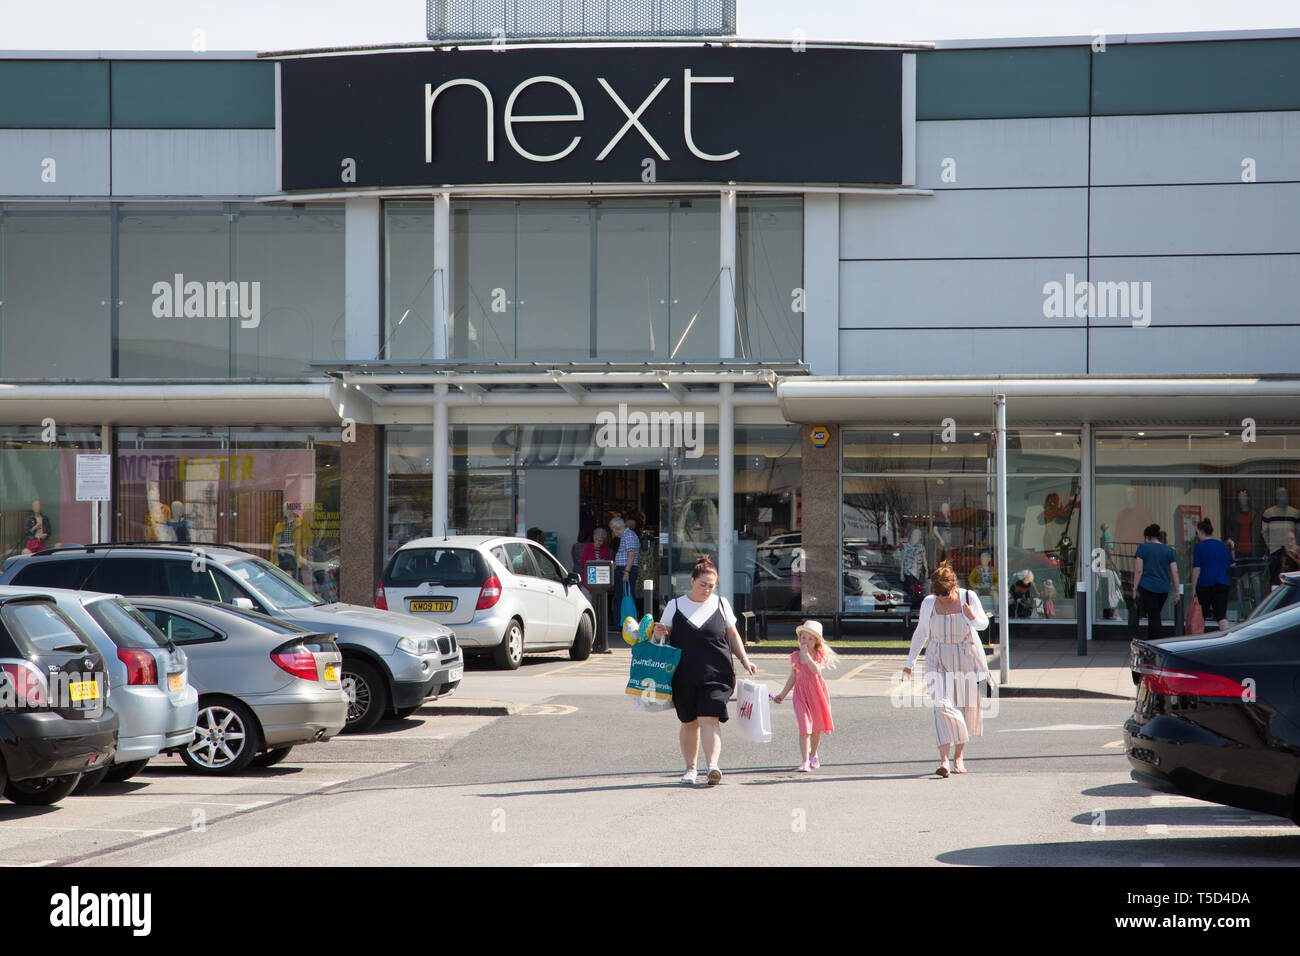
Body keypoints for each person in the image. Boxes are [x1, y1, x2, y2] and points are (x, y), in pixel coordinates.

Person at [652, 555, 757, 786]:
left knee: (709, 717)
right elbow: (659, 637)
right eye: (703, 585)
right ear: (691, 581)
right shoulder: (675, 605)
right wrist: (658, 633)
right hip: (683, 674)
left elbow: (732, 634)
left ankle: (712, 767)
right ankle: (690, 769)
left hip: (717, 673)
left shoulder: (721, 604)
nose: (707, 590)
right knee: (689, 722)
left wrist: (744, 659)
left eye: (712, 586)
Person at [901, 561, 991, 778]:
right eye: (938, 594)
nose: (942, 597)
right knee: (941, 707)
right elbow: (921, 633)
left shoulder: (969, 597)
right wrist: (909, 664)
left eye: (946, 593)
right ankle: (943, 761)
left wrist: (972, 617)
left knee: (962, 706)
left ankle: (958, 757)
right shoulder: (929, 603)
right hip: (937, 657)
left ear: (954, 587)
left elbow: (983, 625)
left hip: (965, 657)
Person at [772, 620, 837, 772]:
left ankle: (814, 755)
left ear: (816, 642)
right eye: (803, 638)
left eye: (810, 639)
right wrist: (782, 694)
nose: (806, 641)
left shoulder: (817, 655)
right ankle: (805, 761)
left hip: (816, 694)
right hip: (800, 695)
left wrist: (807, 655)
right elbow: (793, 677)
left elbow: (816, 671)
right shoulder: (795, 656)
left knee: (815, 728)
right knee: (805, 727)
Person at [1133, 523, 1179, 641]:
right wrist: (1177, 591)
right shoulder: (1168, 550)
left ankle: (1159, 643)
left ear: (1147, 537)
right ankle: (1150, 642)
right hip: (1163, 588)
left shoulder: (1143, 547)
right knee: (1154, 615)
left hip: (1147, 587)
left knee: (1154, 618)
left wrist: (1134, 588)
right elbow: (1175, 571)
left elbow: (1138, 570)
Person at [1190, 518, 1233, 631]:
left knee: (1201, 616)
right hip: (1222, 583)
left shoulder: (1199, 547)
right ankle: (1228, 638)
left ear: (1200, 532)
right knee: (1221, 617)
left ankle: (1200, 643)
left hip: (1205, 584)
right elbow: (1231, 563)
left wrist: (1193, 588)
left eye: (1196, 532)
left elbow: (1197, 569)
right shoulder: (1222, 546)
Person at [610, 516, 640, 616]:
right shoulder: (627, 535)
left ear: (615, 528)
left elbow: (631, 554)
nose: (613, 532)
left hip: (625, 570)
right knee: (624, 596)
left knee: (622, 596)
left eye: (613, 530)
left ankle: (621, 622)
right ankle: (623, 621)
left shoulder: (628, 535)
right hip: (623, 569)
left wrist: (626, 572)